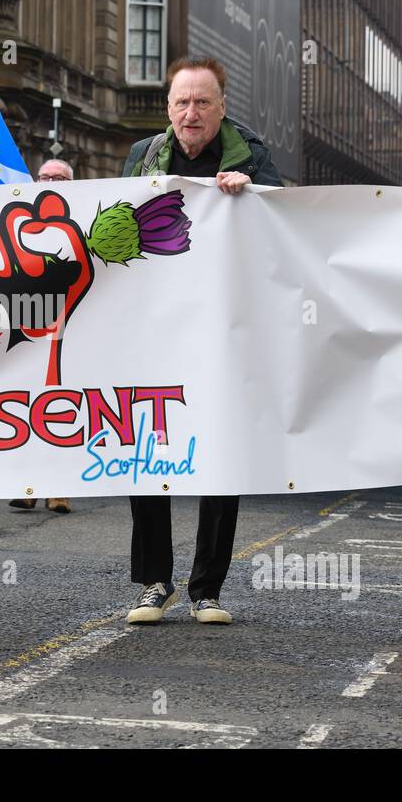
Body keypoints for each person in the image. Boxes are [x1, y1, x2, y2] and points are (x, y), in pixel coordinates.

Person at [117, 56, 283, 626]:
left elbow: (285, 223)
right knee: (148, 448)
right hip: (156, 327)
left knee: (219, 453)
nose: (191, 112)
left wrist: (253, 193)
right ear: (169, 109)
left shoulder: (252, 155)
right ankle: (153, 582)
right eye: (182, 102)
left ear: (221, 108)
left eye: (203, 103)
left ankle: (206, 588)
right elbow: (115, 222)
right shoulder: (142, 156)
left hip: (224, 328)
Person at [8, 158, 80, 517]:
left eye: (61, 178)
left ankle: (60, 489)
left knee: (59, 406)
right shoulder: (17, 222)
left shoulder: (76, 224)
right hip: (28, 330)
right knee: (26, 407)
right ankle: (29, 485)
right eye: (46, 176)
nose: (51, 181)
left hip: (70, 332)